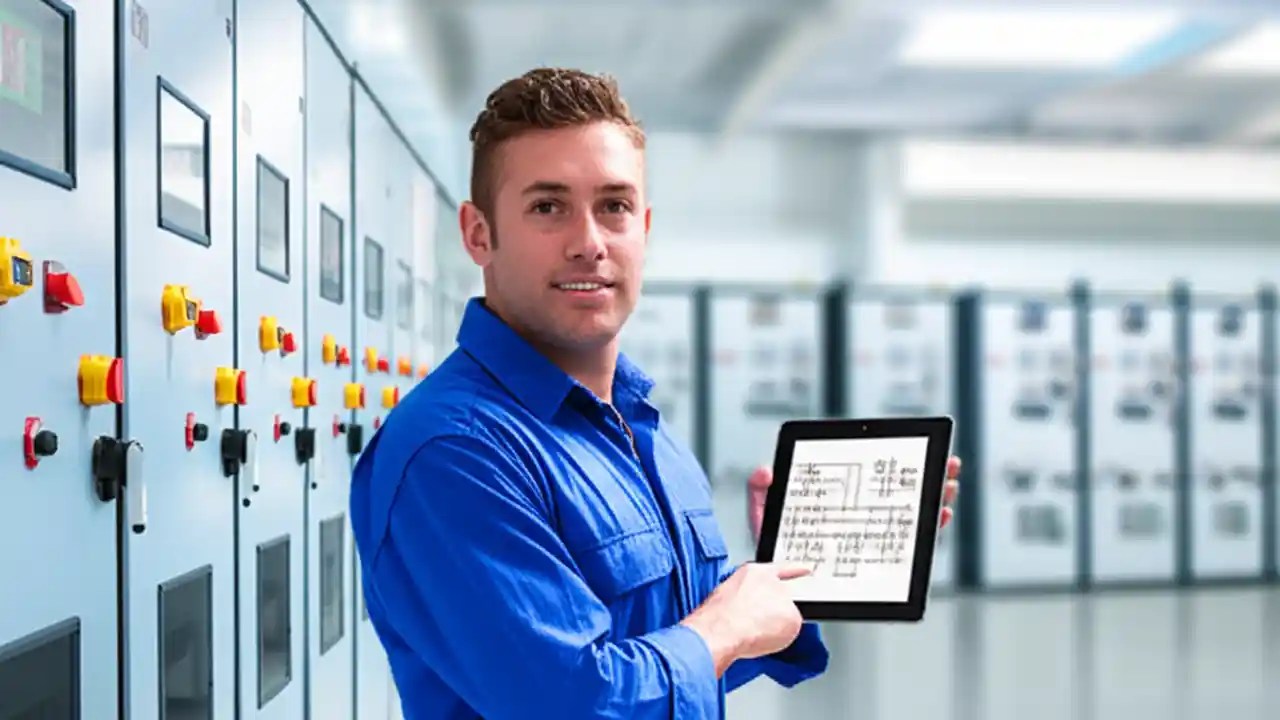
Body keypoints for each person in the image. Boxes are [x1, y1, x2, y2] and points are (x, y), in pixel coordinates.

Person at [349, 67, 961, 719]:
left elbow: (679, 670)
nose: (588, 243)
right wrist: (727, 623)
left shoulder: (638, 426)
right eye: (547, 206)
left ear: (644, 227)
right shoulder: (453, 453)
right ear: (479, 234)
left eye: (613, 206)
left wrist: (783, 573)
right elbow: (580, 705)